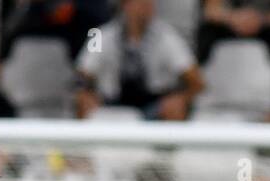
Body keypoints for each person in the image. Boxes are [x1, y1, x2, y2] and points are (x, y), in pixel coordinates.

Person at [75, 0, 203, 121]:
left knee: (175, 106)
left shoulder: (167, 36)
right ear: (125, 5)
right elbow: (82, 74)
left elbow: (195, 80)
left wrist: (180, 97)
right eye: (140, 2)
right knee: (83, 100)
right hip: (112, 103)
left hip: (154, 104)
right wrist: (86, 94)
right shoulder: (102, 34)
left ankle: (168, 143)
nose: (146, 7)